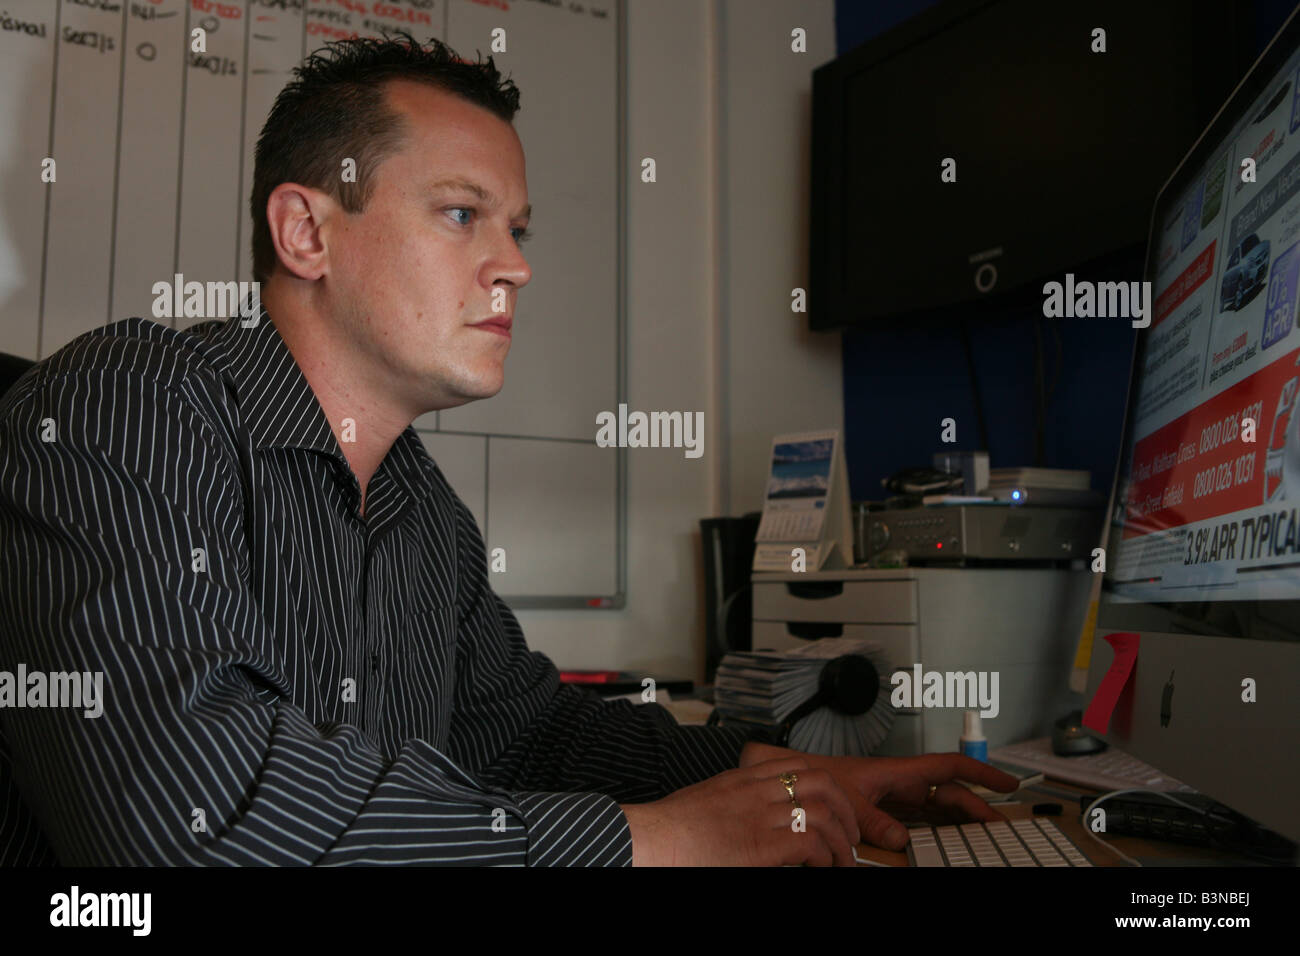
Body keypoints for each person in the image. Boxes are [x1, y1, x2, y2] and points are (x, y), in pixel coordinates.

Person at [0, 33, 1015, 867]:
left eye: (518, 228)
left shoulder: (420, 508)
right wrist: (659, 839)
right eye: (460, 214)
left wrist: (771, 769)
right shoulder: (121, 407)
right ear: (306, 231)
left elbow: (530, 733)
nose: (517, 266)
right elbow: (189, 819)